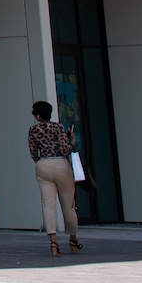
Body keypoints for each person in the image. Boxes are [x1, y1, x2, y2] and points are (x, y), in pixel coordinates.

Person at [28, 100, 84, 256]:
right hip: (60, 164)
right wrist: (72, 140)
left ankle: (53, 243)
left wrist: (41, 161)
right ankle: (73, 240)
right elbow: (65, 149)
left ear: (38, 116)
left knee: (48, 205)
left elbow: (33, 152)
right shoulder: (58, 127)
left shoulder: (33, 130)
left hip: (43, 165)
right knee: (68, 205)